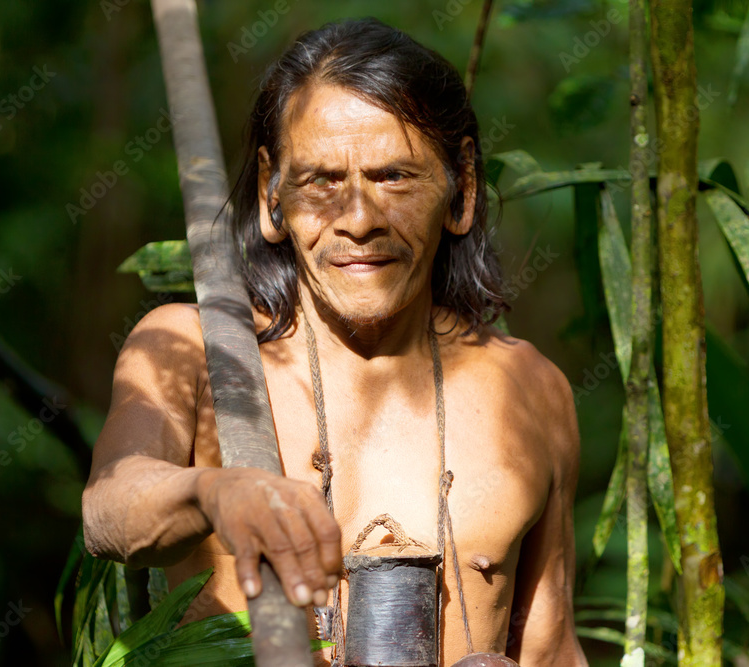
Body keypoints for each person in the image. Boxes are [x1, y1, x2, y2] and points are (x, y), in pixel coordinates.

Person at [82, 17, 587, 667]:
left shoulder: (529, 388)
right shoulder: (198, 350)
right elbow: (110, 509)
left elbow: (552, 648)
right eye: (322, 179)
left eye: (393, 177)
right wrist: (214, 492)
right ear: (271, 194)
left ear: (461, 187)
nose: (358, 219)